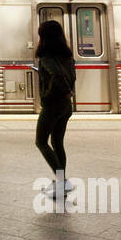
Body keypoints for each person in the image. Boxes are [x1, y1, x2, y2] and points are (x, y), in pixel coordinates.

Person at [34, 20, 76, 198]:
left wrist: (59, 90)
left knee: (41, 142)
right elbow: (70, 75)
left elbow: (57, 75)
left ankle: (62, 182)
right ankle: (62, 182)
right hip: (66, 105)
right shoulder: (67, 55)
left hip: (53, 104)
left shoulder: (47, 57)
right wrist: (69, 92)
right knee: (57, 143)